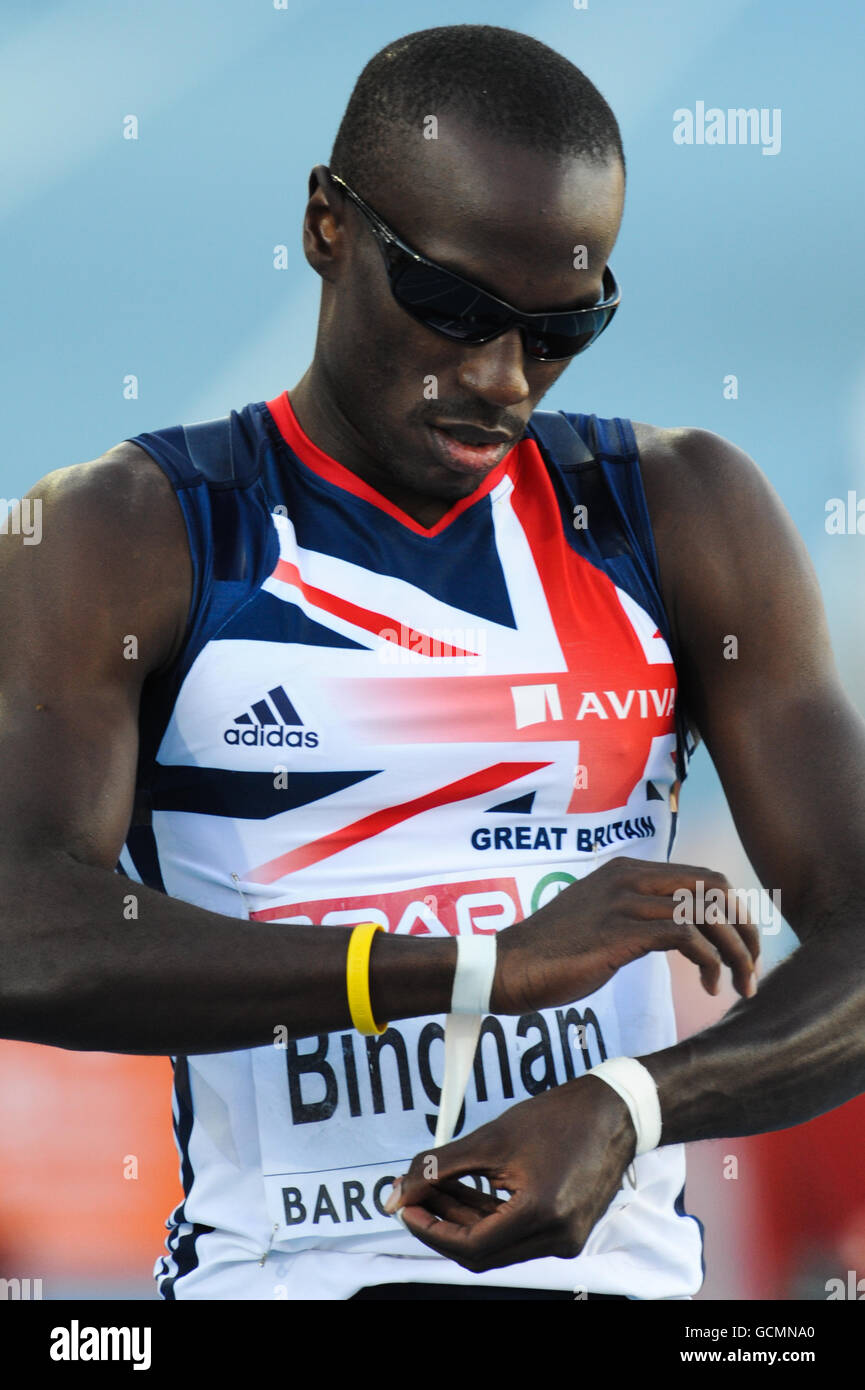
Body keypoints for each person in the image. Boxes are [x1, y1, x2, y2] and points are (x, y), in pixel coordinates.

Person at [1, 23, 863, 1303]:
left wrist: (631, 1104)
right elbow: (22, 924)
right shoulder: (121, 534)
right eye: (454, 309)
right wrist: (472, 969)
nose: (500, 377)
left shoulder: (678, 514)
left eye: (565, 326)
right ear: (326, 226)